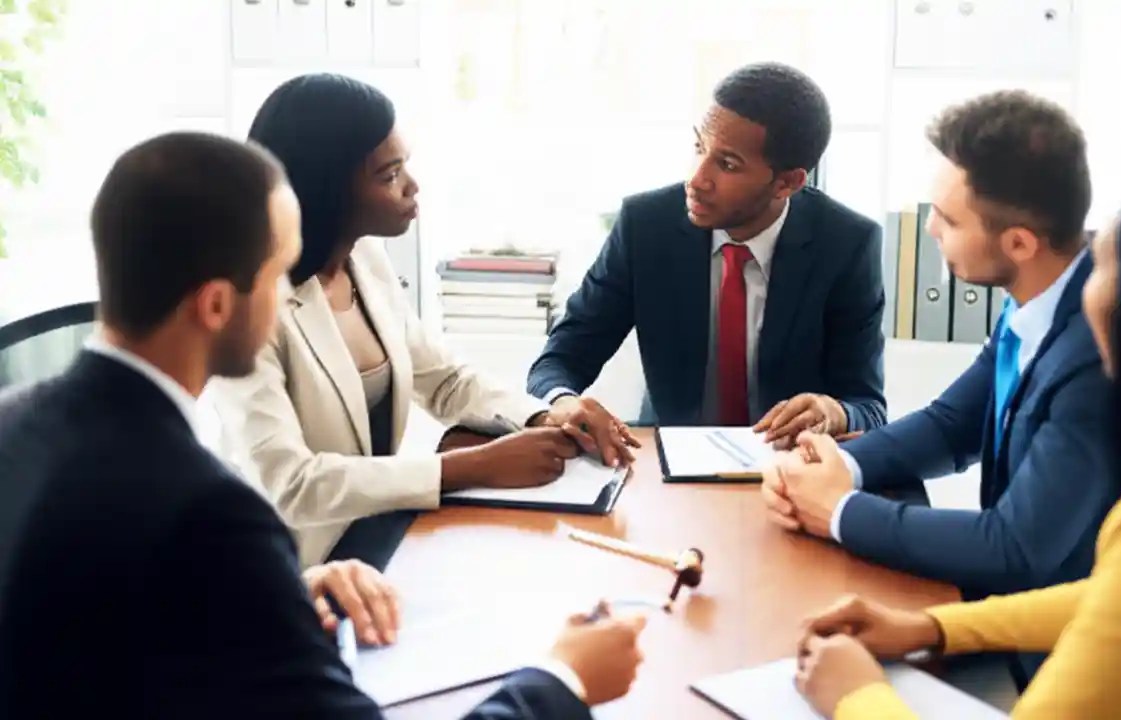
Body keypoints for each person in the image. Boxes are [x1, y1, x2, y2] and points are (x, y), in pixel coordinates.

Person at [0, 132, 647, 719]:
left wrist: (280, 591)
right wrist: (563, 678)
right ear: (219, 304)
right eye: (280, 272)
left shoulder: (13, 425)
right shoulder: (212, 514)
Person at [792, 126, 1121, 719]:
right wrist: (933, 625)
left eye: (1102, 267)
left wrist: (856, 696)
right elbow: (1119, 594)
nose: (1086, 291)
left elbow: (1054, 556)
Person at [210, 73, 638, 570]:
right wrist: (470, 466)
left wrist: (544, 416)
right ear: (328, 188)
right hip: (293, 569)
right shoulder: (244, 304)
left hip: (378, 535)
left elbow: (446, 380)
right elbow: (289, 484)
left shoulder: (363, 259)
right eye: (389, 175)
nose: (413, 187)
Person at [762, 90, 1115, 682]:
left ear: (1020, 243)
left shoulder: (1096, 356)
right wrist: (835, 469)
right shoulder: (1041, 300)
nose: (929, 230)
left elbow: (1016, 546)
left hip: (1071, 663)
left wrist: (840, 511)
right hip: (1006, 620)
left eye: (949, 219)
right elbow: (953, 423)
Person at [527, 62, 887, 444]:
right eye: (699, 147)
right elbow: (560, 359)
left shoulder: (847, 244)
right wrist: (562, 401)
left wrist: (836, 413)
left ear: (787, 182)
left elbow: (869, 407)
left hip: (787, 470)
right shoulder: (645, 226)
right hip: (667, 467)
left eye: (727, 164)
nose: (696, 179)